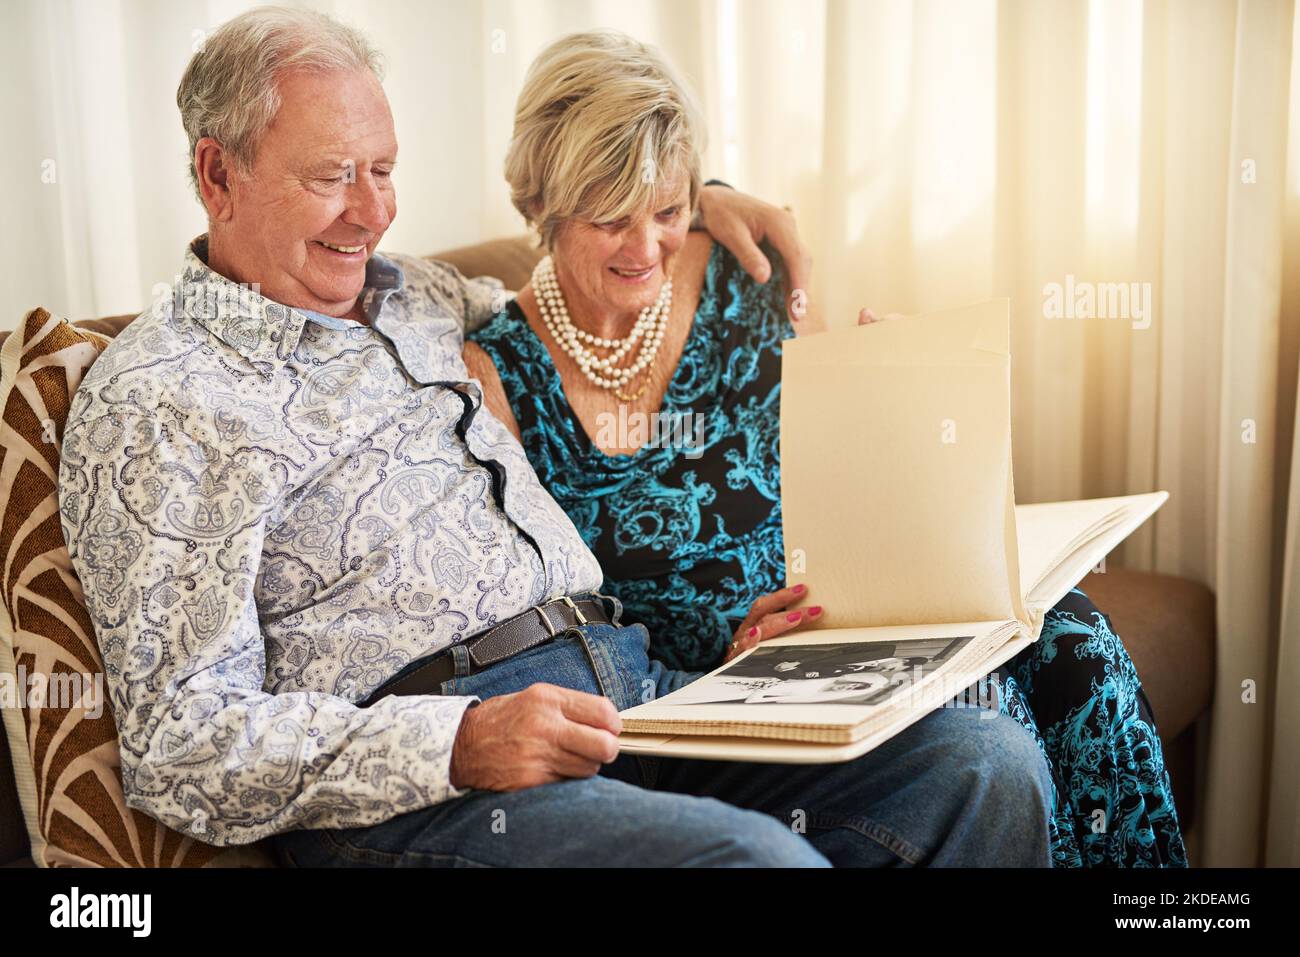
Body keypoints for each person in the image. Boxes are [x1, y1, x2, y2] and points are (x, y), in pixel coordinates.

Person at [59, 7, 1054, 867]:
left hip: (635, 696)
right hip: (441, 786)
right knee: (755, 861)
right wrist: (458, 740)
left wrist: (681, 200)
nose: (372, 213)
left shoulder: (415, 297)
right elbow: (177, 739)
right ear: (215, 172)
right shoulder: (159, 399)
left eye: (384, 170)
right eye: (332, 176)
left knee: (979, 766)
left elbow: (582, 271)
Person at [466, 29, 1186, 867]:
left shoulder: (745, 268)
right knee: (996, 732)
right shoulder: (495, 377)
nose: (646, 248)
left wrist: (892, 402)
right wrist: (734, 655)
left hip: (852, 608)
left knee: (1077, 641)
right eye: (610, 219)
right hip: (721, 692)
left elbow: (830, 467)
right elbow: (558, 618)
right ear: (543, 207)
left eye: (667, 211)